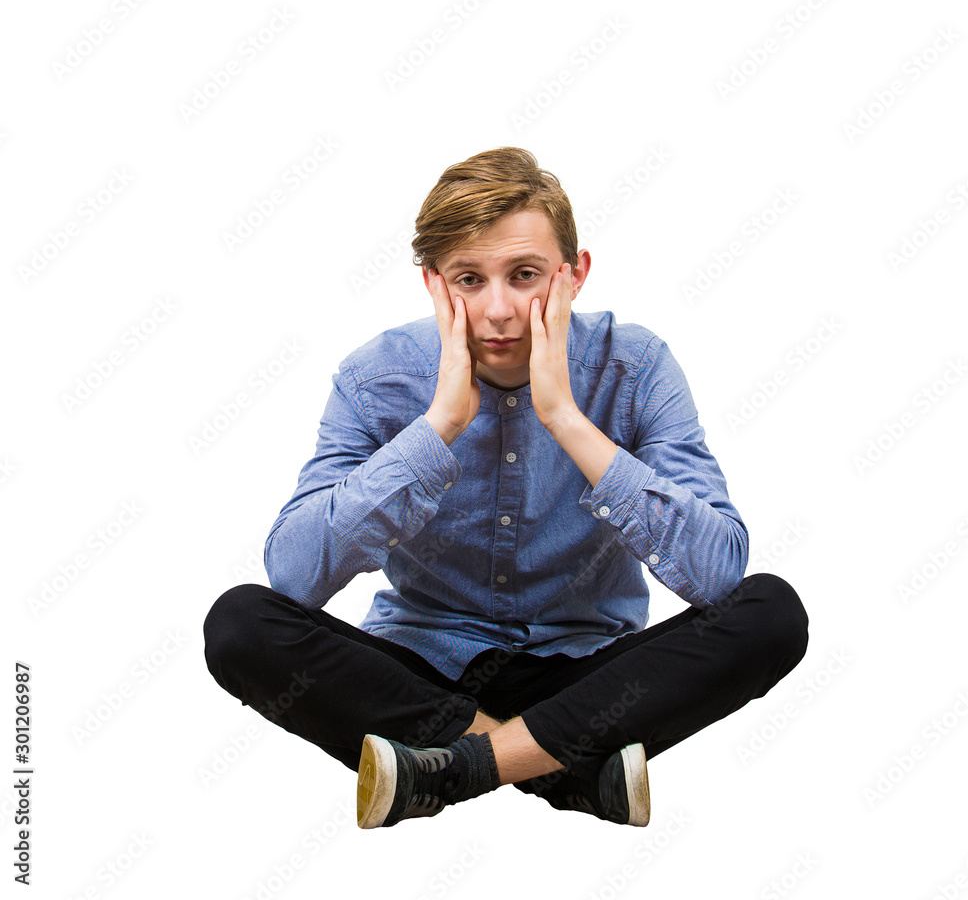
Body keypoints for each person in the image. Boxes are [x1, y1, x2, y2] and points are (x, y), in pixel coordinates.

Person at [203, 146, 809, 831]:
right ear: (434, 284)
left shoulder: (635, 367)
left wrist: (567, 419)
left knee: (772, 613)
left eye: (524, 276)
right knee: (238, 624)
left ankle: (454, 768)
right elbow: (291, 575)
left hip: (586, 675)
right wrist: (438, 427)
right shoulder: (377, 379)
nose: (498, 311)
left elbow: (721, 573)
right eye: (468, 279)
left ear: (574, 275)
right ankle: (569, 772)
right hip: (422, 673)